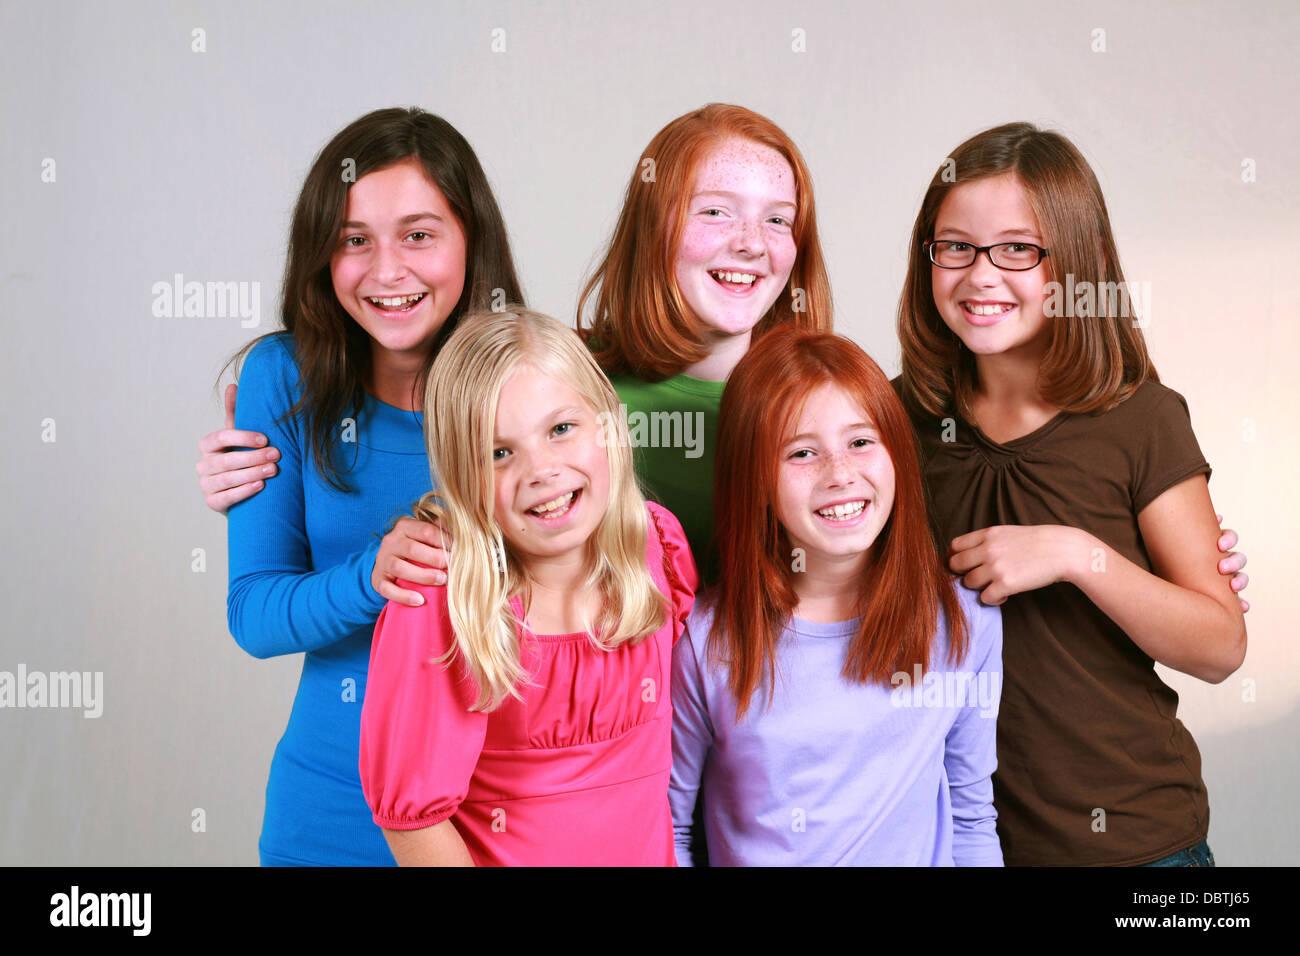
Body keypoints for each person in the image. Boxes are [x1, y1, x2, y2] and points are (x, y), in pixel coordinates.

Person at [895, 122, 1247, 866]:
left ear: (1075, 264)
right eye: (954, 246)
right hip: (956, 842)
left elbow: (1219, 647)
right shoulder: (892, 422)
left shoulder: (1141, 418)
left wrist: (1076, 555)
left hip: (1135, 844)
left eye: (1017, 249)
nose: (980, 275)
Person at [223, 107, 523, 866]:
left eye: (419, 235)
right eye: (355, 241)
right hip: (328, 811)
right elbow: (255, 616)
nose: (387, 272)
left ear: (470, 241)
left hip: (497, 813)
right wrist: (373, 576)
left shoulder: (529, 382)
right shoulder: (281, 378)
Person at [359, 310, 696, 865]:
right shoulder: (444, 597)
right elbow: (414, 824)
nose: (541, 470)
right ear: (461, 473)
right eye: (499, 453)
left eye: (561, 429)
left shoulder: (655, 549)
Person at [669, 326, 1003, 865]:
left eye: (861, 442)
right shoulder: (705, 642)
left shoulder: (963, 618)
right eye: (802, 453)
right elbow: (670, 831)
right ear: (754, 477)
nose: (840, 474)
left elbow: (971, 816)